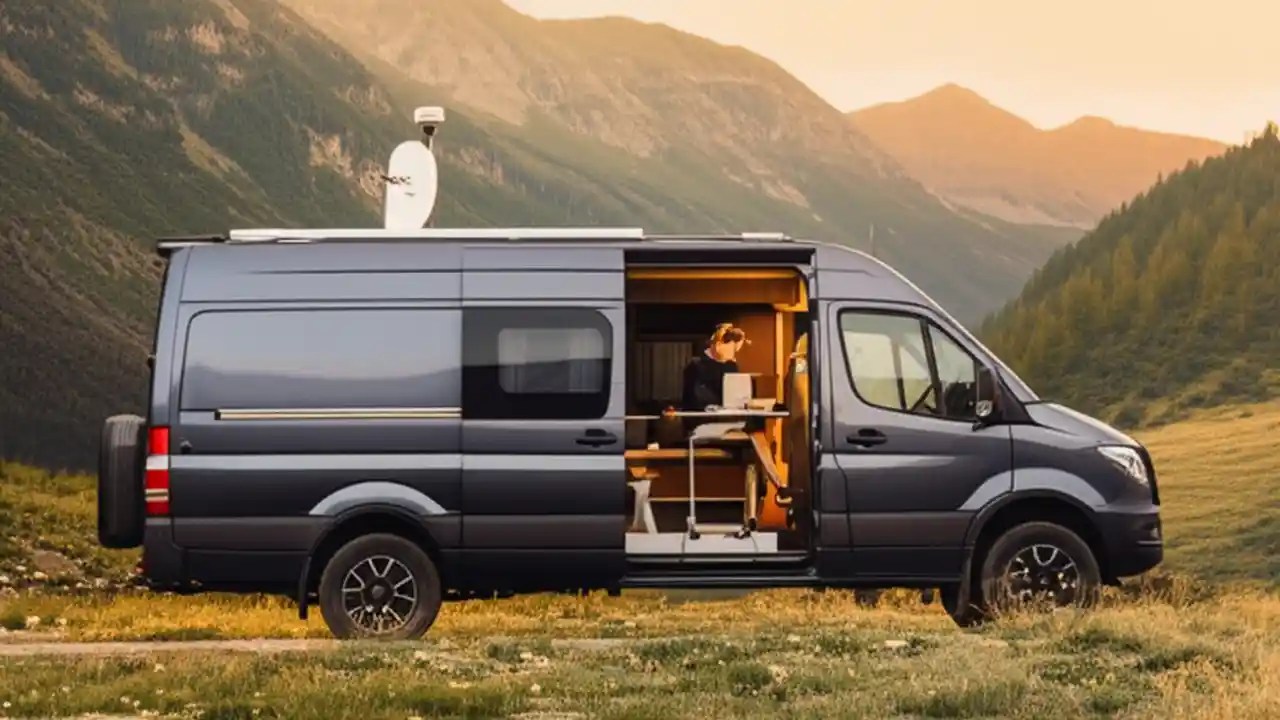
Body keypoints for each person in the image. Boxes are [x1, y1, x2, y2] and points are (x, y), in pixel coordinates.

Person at [680, 323, 748, 411]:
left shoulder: (731, 366)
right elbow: (695, 396)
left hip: (728, 417)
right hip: (702, 418)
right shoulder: (696, 365)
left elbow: (735, 394)